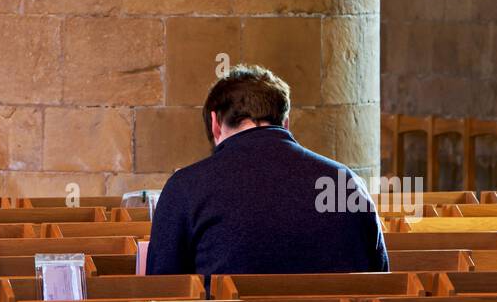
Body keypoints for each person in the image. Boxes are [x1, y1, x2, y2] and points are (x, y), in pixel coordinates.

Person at [146, 64, 388, 280]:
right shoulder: (343, 182)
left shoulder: (186, 187)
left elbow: (163, 293)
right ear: (285, 122)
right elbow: (380, 278)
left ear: (215, 124)